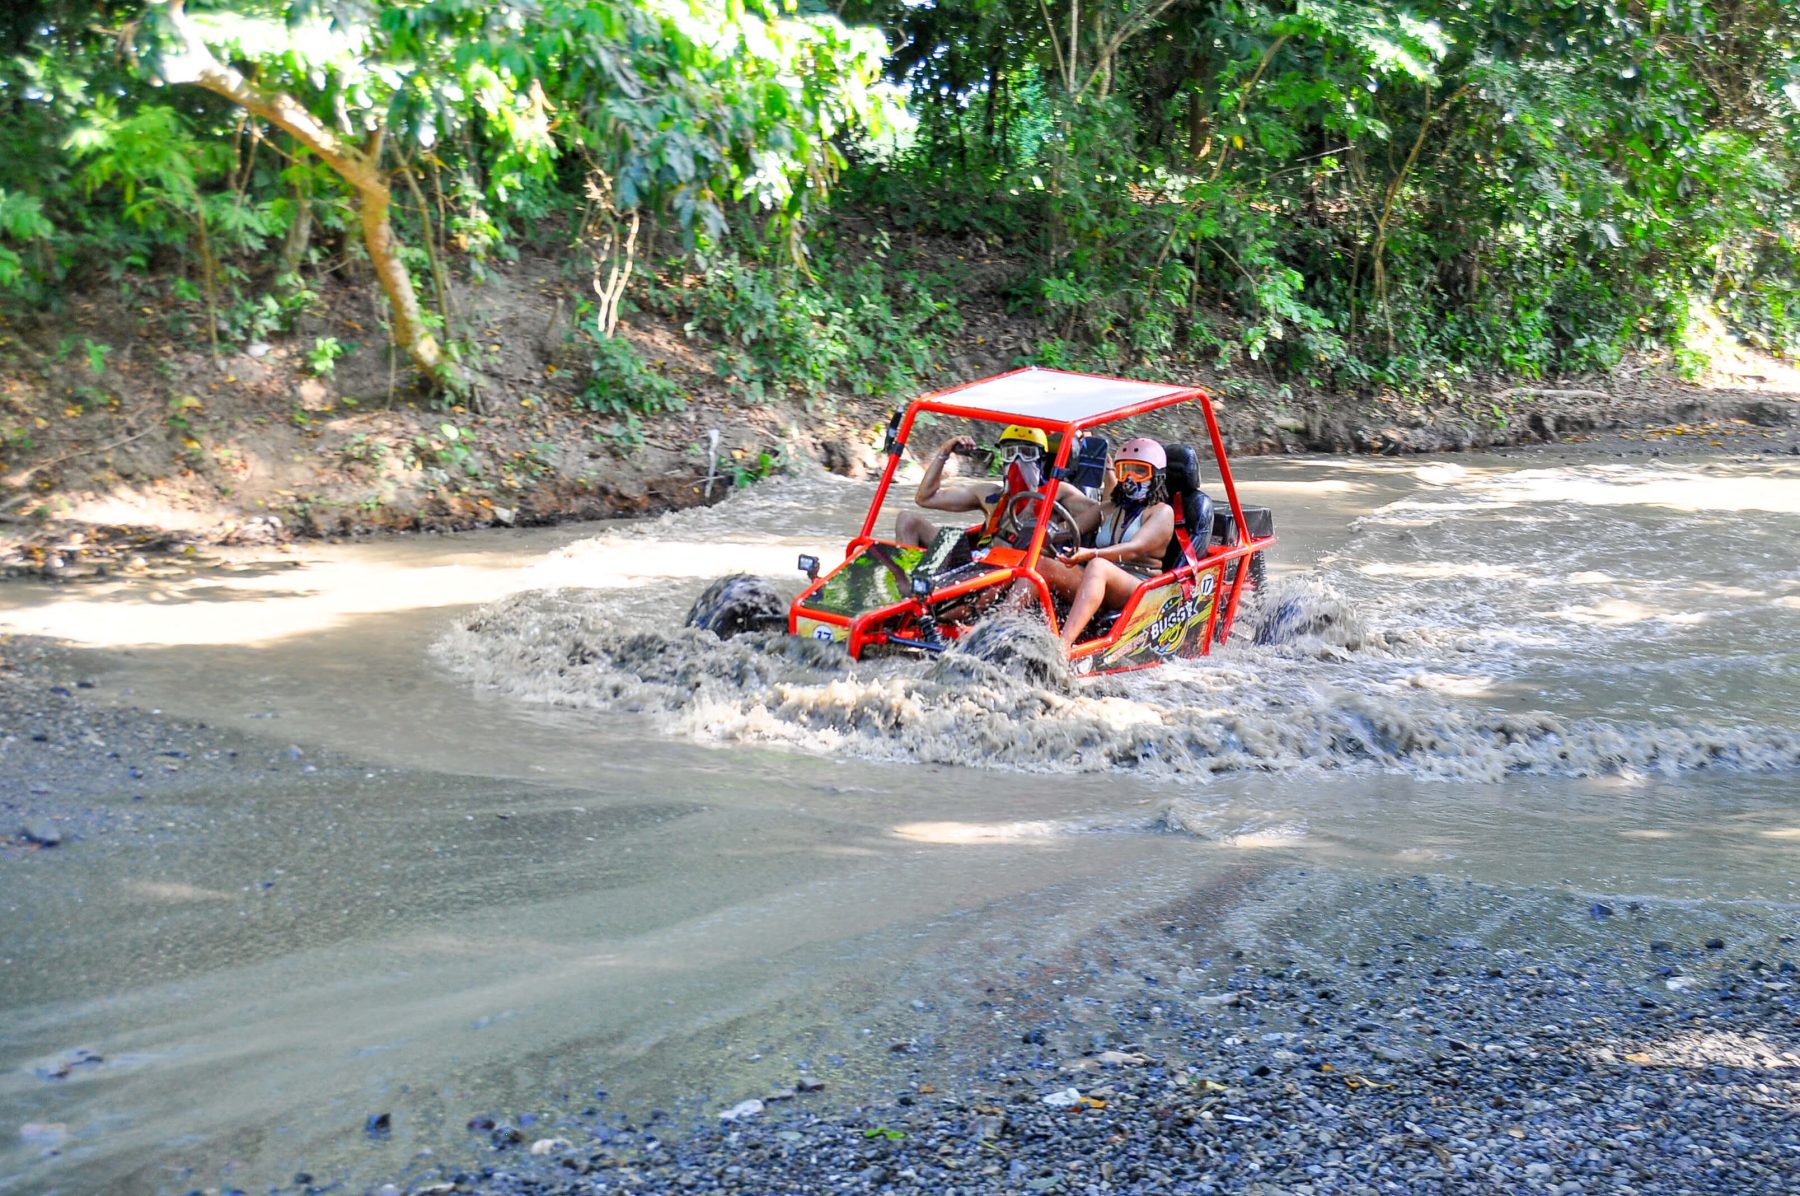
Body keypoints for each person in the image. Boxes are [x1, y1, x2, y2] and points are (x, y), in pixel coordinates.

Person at [1034, 438, 1174, 652]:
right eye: (1124, 470)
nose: (1129, 478)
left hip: (1141, 587)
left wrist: (1091, 553)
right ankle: (998, 623)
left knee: (1098, 565)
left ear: (1156, 475)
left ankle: (1062, 647)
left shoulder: (1161, 512)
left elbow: (1135, 548)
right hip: (1098, 579)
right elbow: (1069, 529)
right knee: (1041, 563)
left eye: (1139, 471)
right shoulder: (1110, 508)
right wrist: (1042, 534)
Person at [893, 425, 1093, 552]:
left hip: (1017, 573)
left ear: (1041, 459)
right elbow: (925, 498)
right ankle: (906, 592)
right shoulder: (989, 494)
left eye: (1026, 452)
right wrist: (945, 451)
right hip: (978, 562)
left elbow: (1099, 512)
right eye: (1010, 452)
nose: (1017, 460)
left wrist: (1058, 532)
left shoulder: (1056, 492)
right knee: (907, 520)